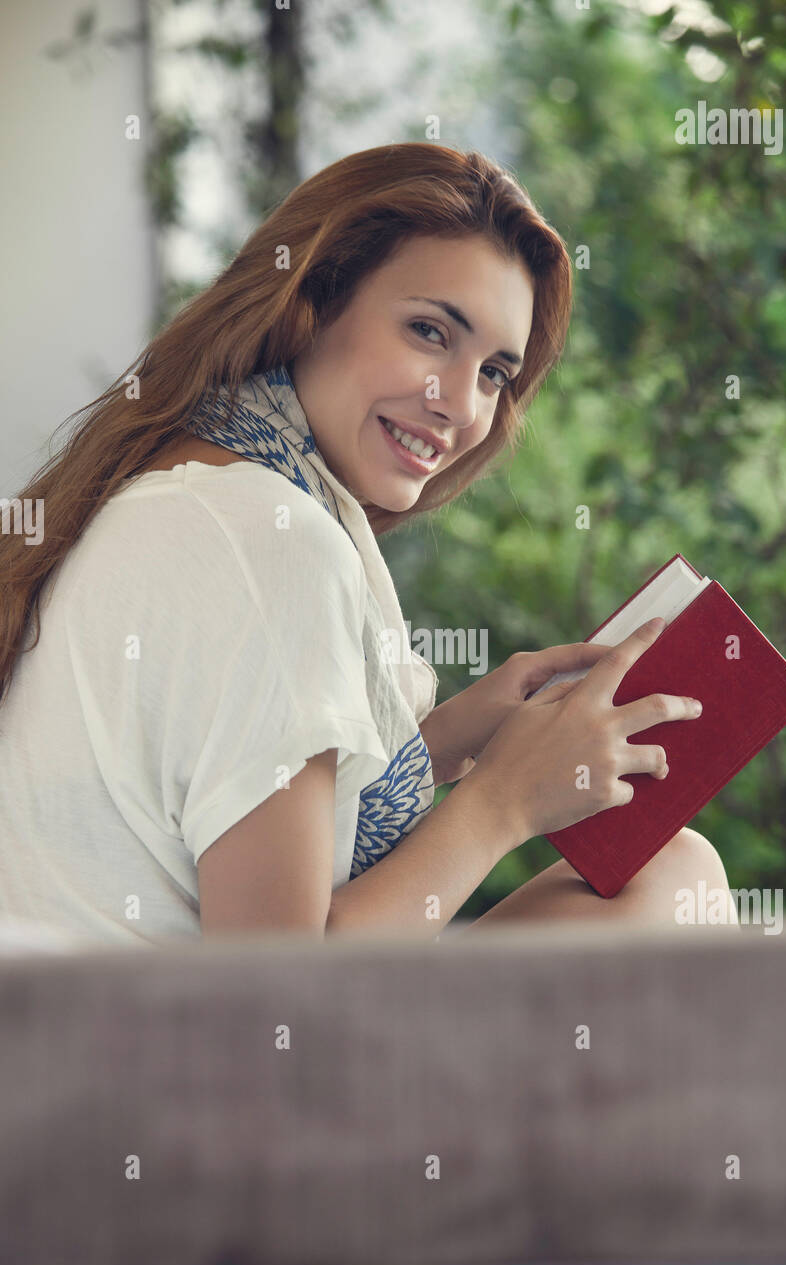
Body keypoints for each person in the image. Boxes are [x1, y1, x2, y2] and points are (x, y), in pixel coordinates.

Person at [0, 143, 732, 946]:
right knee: (678, 884)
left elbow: (215, 808)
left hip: (71, 1047)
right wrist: (502, 803)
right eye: (428, 331)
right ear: (308, 303)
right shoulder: (272, 546)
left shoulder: (182, 484)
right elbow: (279, 993)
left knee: (668, 876)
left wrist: (445, 743)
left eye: (493, 372)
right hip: (183, 1063)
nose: (457, 402)